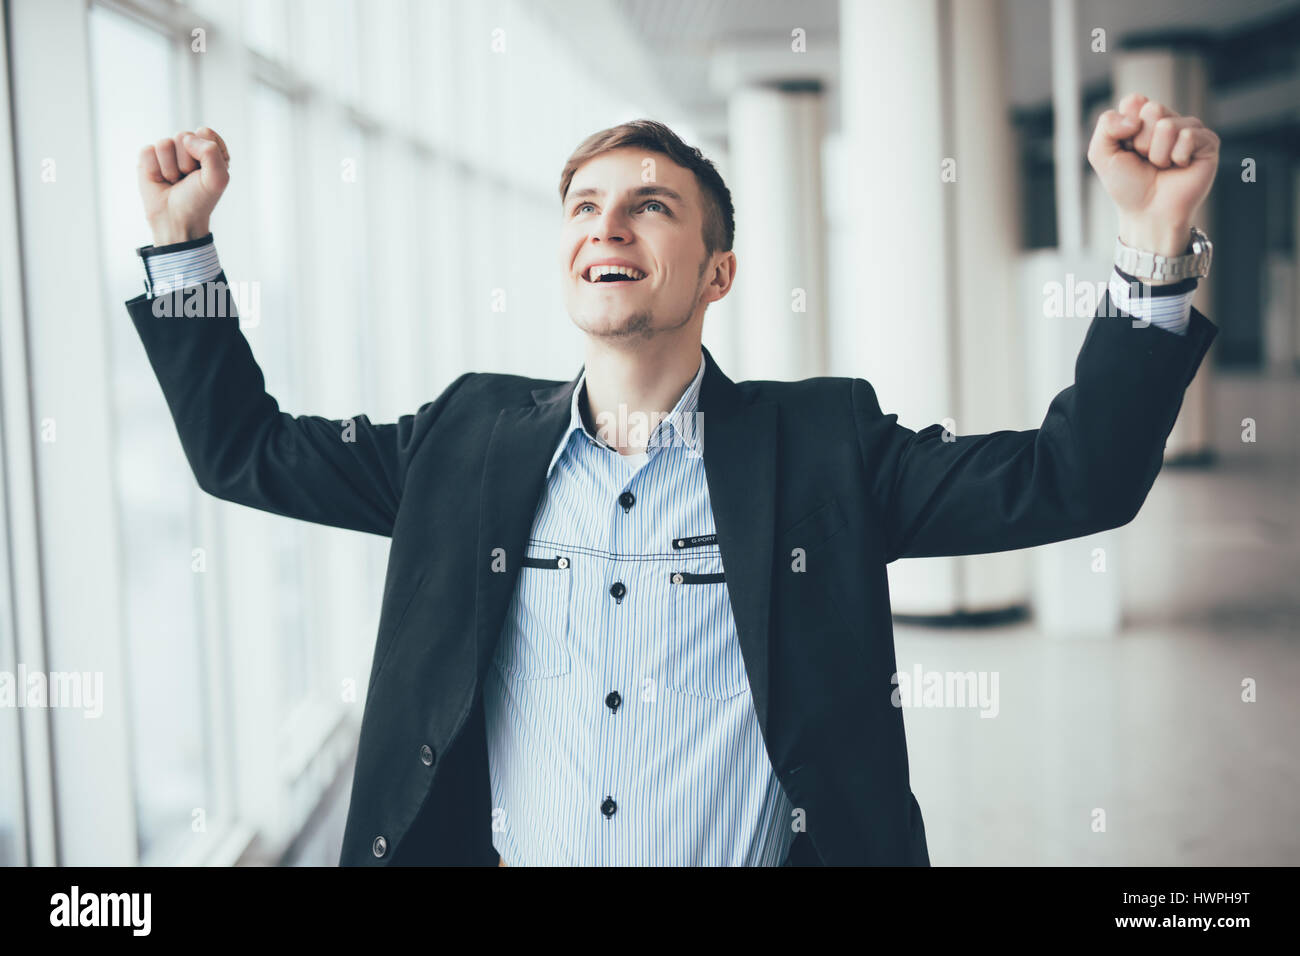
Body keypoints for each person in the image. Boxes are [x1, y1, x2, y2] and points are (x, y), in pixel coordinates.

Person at [125, 93, 1218, 866]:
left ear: (716, 270)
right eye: (584, 203)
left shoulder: (823, 446)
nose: (607, 221)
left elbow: (1073, 478)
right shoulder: (461, 442)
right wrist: (182, 249)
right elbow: (244, 453)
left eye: (650, 204)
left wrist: (1152, 242)